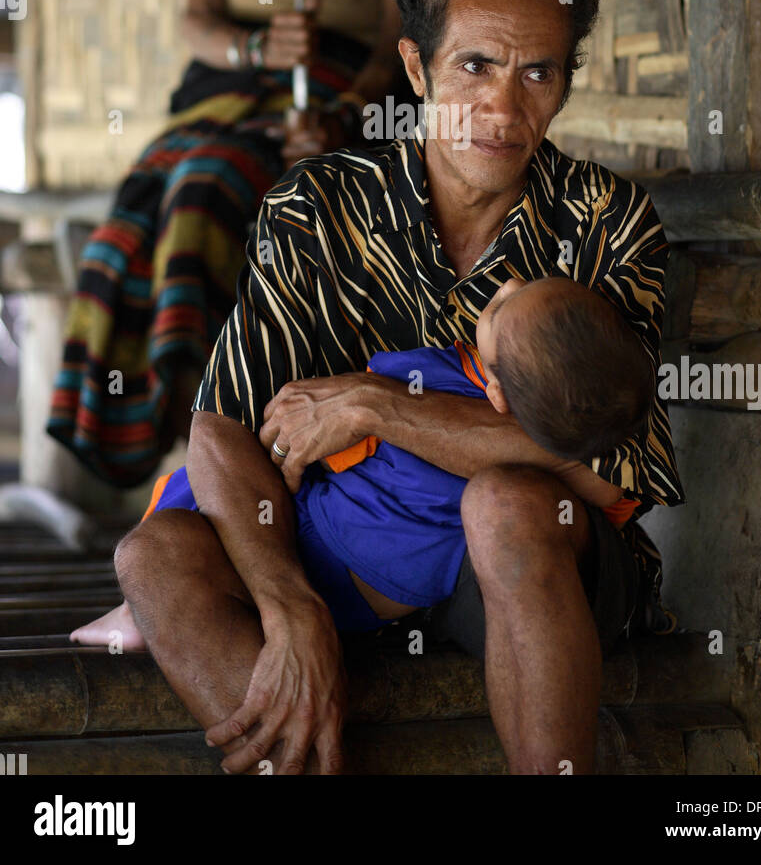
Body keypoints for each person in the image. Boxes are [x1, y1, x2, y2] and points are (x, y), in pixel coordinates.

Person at [113, 0, 684, 776]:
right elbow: (222, 427)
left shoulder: (606, 224)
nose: (503, 106)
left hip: (531, 564)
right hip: (345, 556)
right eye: (476, 66)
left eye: (539, 72)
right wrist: (289, 604)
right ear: (416, 67)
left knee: (507, 501)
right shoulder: (317, 208)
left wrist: (378, 405)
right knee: (153, 556)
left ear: (566, 83)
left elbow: (606, 461)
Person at [47, 0, 428, 489]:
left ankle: (213, 438)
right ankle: (185, 417)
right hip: (229, 85)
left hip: (341, 92)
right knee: (185, 183)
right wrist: (256, 48)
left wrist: (344, 112)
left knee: (217, 179)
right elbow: (193, 18)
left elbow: (407, 35)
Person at [70, 272, 651, 645]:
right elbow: (611, 491)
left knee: (205, 488)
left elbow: (324, 435)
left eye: (501, 308)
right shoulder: (557, 454)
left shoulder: (436, 380)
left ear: (497, 393)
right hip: (386, 599)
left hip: (323, 545)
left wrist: (295, 450)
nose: (507, 284)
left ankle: (135, 611)